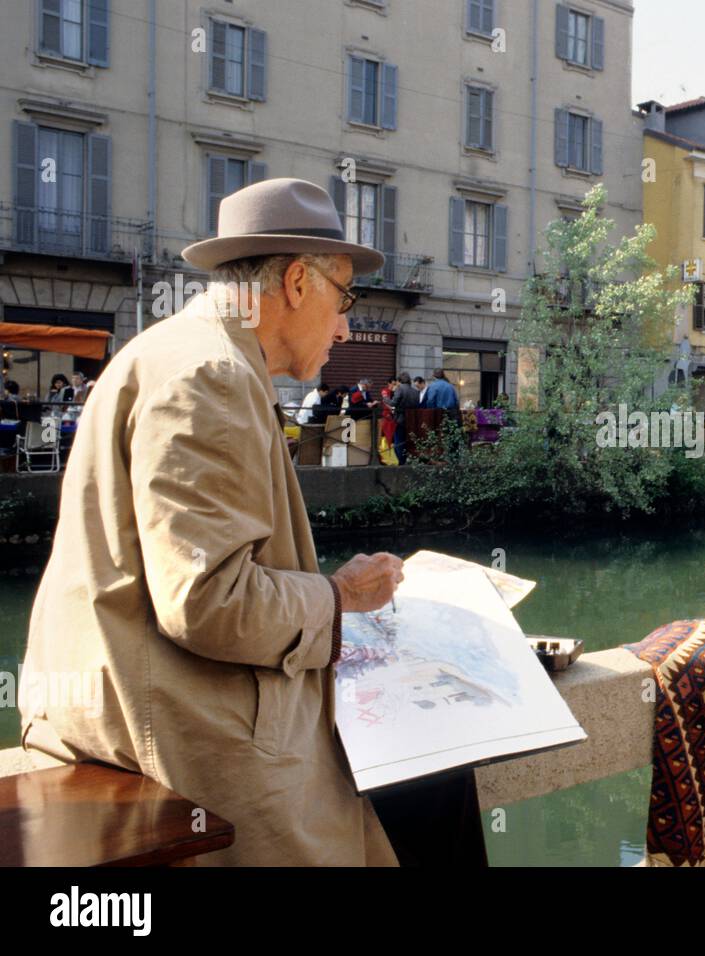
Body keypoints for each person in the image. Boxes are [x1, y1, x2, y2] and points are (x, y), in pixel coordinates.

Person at [18, 178, 425, 867]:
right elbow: (208, 601)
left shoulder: (178, 351)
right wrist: (343, 597)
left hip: (122, 719)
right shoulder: (212, 373)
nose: (345, 327)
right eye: (344, 298)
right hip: (179, 747)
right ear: (297, 283)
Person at [389, 372, 421, 464]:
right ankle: (408, 460)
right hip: (412, 420)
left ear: (399, 381)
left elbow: (393, 403)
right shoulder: (415, 392)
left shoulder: (400, 389)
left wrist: (385, 398)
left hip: (400, 419)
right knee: (408, 441)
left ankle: (401, 462)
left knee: (398, 441)